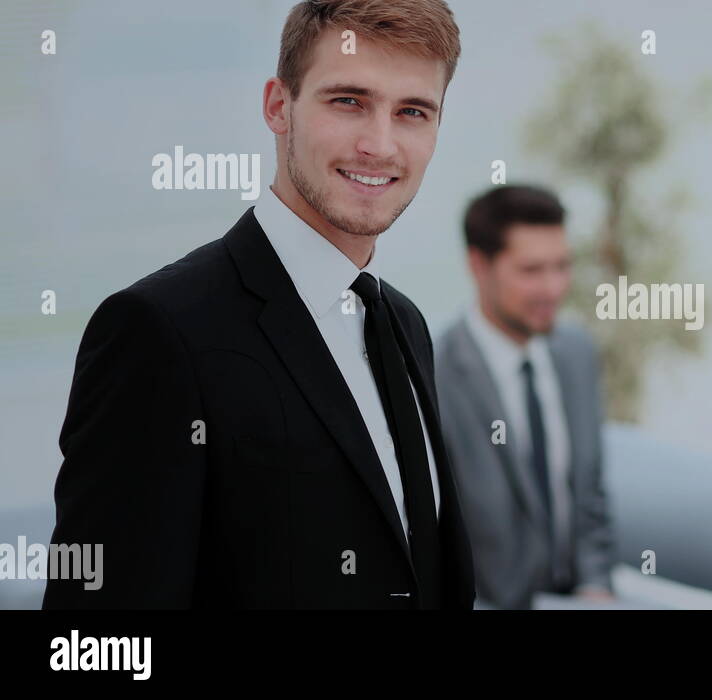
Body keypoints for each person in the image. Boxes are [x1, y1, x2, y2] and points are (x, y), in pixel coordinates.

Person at [44, 0, 474, 609]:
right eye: (348, 100)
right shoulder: (159, 330)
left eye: (412, 111)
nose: (379, 144)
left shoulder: (404, 325)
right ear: (279, 105)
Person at [434, 185, 616, 609]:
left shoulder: (576, 352)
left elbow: (591, 497)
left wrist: (596, 586)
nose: (553, 289)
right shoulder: (435, 374)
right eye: (532, 270)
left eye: (562, 267)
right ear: (479, 266)